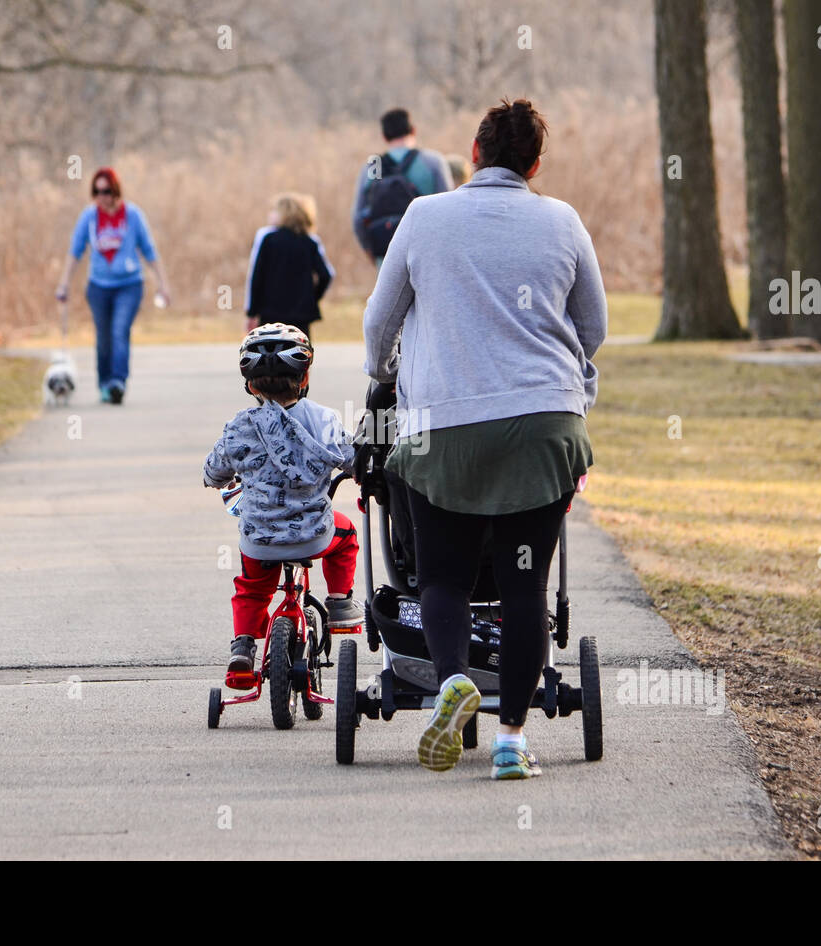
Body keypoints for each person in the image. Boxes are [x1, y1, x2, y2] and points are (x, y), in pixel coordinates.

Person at [362, 99, 608, 780]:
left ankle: (450, 684)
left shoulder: (424, 217)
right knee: (526, 588)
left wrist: (386, 376)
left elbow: (379, 324)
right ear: (534, 164)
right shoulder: (562, 221)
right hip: (542, 428)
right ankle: (510, 742)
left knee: (441, 576)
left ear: (472, 151)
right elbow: (594, 328)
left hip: (446, 428)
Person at [203, 323, 364, 673]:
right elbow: (354, 458)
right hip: (313, 534)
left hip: (261, 538)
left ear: (249, 384)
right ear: (304, 379)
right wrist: (360, 473)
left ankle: (242, 651)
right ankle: (339, 605)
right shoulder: (323, 420)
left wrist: (221, 478)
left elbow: (214, 471)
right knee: (347, 533)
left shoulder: (238, 428)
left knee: (251, 587)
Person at [55, 167, 172, 405]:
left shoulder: (133, 216)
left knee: (120, 330)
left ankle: (118, 381)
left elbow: (149, 251)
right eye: (96, 192)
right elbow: (75, 252)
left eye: (106, 191)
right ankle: (104, 384)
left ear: (115, 190)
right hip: (98, 287)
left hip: (129, 285)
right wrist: (64, 284)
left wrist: (163, 284)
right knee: (104, 337)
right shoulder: (89, 218)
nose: (102, 197)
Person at [351, 108, 452, 269]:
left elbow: (357, 219)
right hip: (428, 257)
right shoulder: (433, 162)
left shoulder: (373, 166)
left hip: (386, 257)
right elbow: (449, 212)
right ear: (413, 130)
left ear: (384, 136)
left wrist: (371, 252)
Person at [245, 193, 335, 340]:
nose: (270, 214)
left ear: (284, 214)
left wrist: (252, 312)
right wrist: (312, 297)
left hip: (270, 313)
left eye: (274, 210)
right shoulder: (310, 242)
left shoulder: (268, 240)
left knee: (269, 353)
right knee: (300, 353)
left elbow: (257, 278)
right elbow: (326, 275)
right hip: (301, 314)